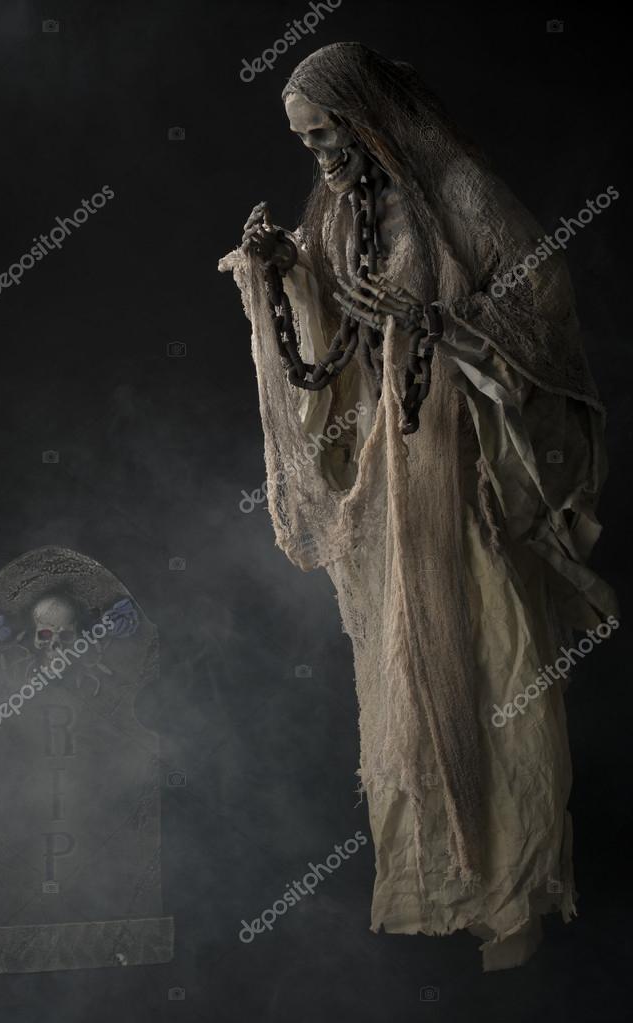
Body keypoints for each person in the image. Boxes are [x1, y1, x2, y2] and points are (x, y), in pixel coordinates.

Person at [219, 42, 617, 970]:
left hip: (464, 472)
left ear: (368, 119)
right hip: (393, 476)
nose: (320, 155)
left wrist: (442, 324)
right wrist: (280, 270)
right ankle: (446, 879)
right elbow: (329, 328)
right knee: (404, 662)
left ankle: (511, 892)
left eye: (328, 134)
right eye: (305, 141)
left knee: (495, 661)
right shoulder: (337, 208)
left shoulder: (461, 197)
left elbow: (543, 314)